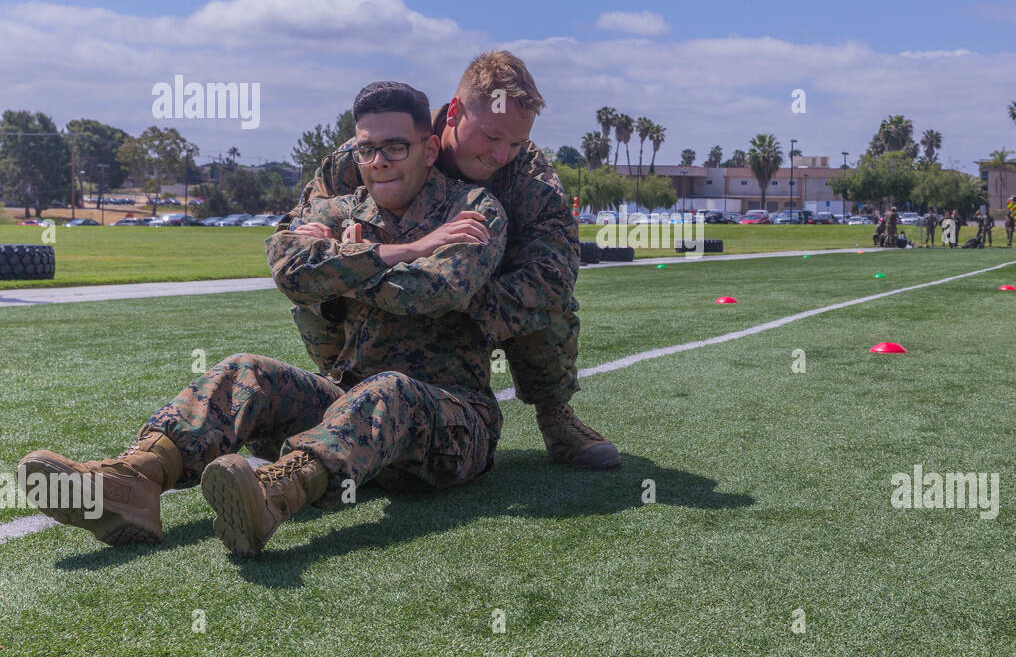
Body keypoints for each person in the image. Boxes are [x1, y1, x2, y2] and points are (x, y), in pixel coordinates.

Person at [19, 82, 508, 556]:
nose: (378, 162)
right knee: (244, 370)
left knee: (390, 388)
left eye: (396, 148)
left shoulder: (472, 209)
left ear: (427, 147)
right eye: (366, 149)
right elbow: (286, 264)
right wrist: (401, 251)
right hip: (345, 410)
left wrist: (339, 261)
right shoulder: (343, 207)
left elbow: (435, 290)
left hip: (449, 424)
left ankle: (273, 493)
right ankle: (134, 482)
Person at [291, 52, 617, 469]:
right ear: (455, 112)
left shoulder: (531, 178)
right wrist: (327, 241)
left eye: (515, 143)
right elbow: (298, 228)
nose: (502, 154)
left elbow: (553, 276)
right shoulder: (392, 138)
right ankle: (342, 393)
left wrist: (449, 294)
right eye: (491, 137)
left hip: (472, 296)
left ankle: (556, 416)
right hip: (379, 288)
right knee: (317, 285)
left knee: (550, 306)